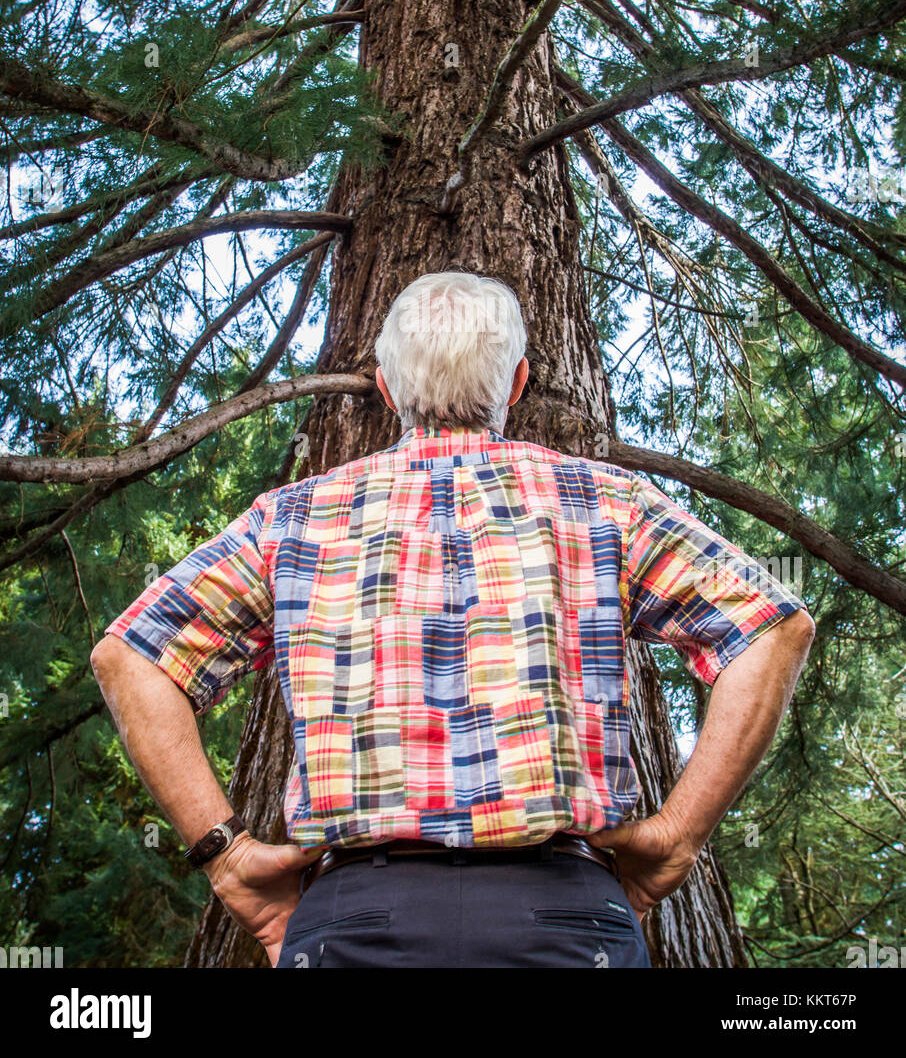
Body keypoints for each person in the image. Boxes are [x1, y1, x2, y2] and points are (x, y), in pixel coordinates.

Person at [91, 271, 814, 969]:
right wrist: (680, 835)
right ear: (518, 383)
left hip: (354, 920)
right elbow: (773, 625)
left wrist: (228, 856)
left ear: (385, 390)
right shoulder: (607, 501)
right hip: (566, 920)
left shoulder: (291, 519)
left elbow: (131, 658)